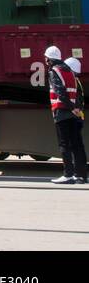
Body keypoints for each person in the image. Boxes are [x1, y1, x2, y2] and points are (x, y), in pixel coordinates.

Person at [45, 46, 86, 185]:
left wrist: (71, 108)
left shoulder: (54, 71)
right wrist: (76, 109)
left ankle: (68, 174)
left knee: (64, 144)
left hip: (62, 112)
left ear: (49, 59)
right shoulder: (71, 73)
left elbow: (59, 92)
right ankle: (81, 175)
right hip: (73, 113)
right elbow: (78, 95)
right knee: (77, 144)